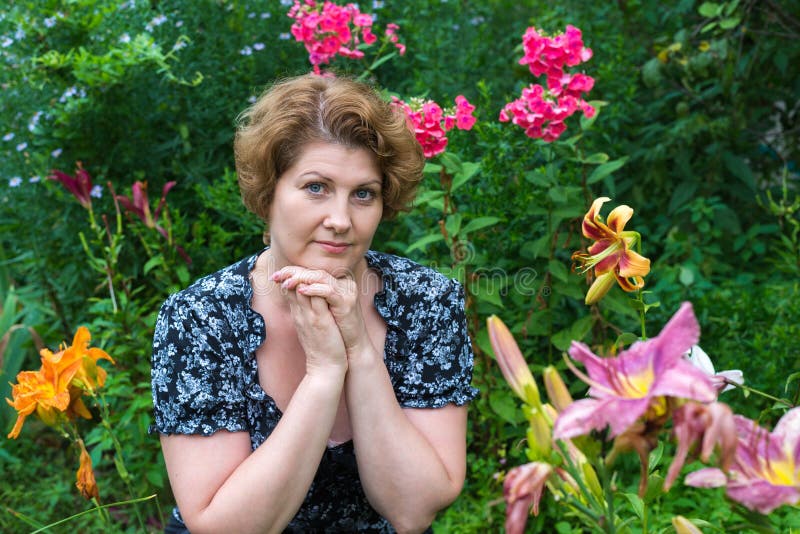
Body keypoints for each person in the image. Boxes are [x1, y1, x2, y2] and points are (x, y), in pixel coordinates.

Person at [150, 73, 479, 533]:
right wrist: (324, 375)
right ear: (268, 194)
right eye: (316, 187)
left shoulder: (426, 302)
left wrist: (360, 353)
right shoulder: (199, 318)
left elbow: (412, 511)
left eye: (363, 194)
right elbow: (226, 527)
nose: (341, 220)